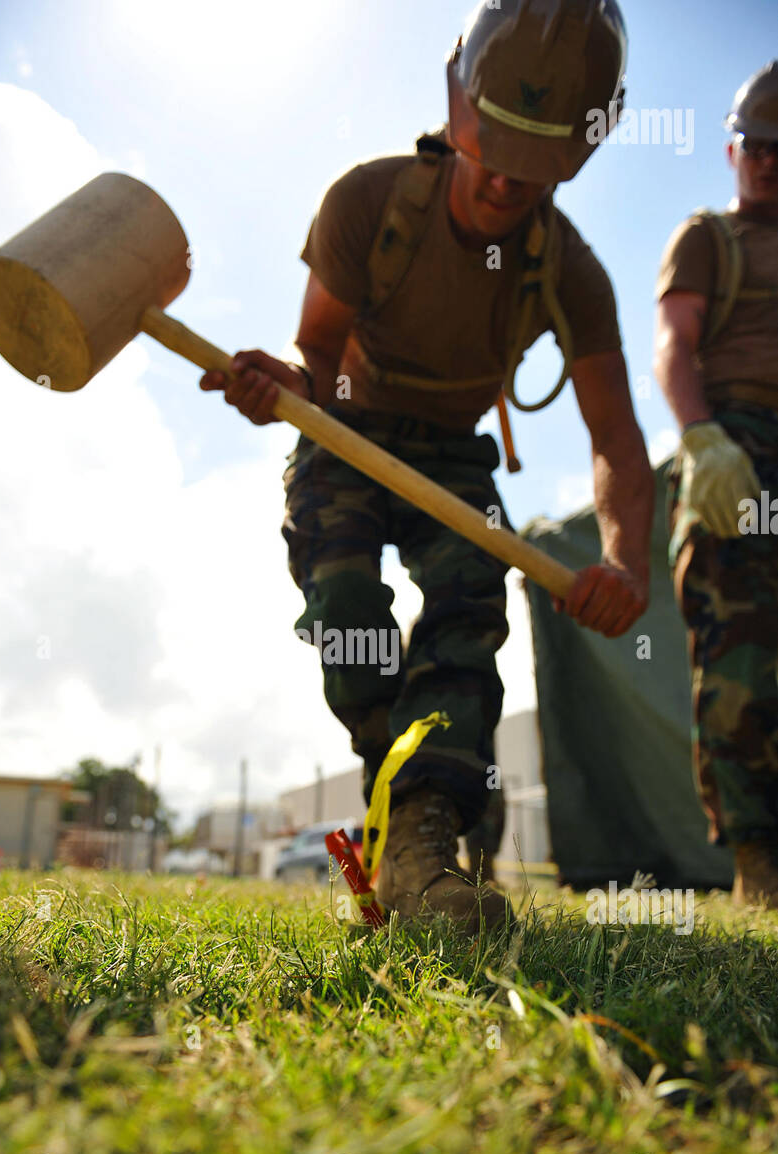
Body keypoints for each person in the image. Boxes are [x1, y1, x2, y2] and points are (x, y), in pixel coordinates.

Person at [202, 0, 653, 932]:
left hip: (453, 458)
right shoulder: (368, 202)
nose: (502, 186)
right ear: (456, 105)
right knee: (348, 616)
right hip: (347, 430)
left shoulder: (569, 271)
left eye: (533, 173)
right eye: (491, 153)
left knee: (465, 618)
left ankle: (424, 834)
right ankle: (410, 812)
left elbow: (613, 435)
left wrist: (625, 562)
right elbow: (317, 354)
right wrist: (288, 382)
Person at [655, 62, 778, 908]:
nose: (769, 161)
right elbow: (673, 341)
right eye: (757, 145)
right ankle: (758, 866)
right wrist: (701, 438)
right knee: (741, 667)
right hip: (738, 447)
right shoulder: (709, 237)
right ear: (734, 149)